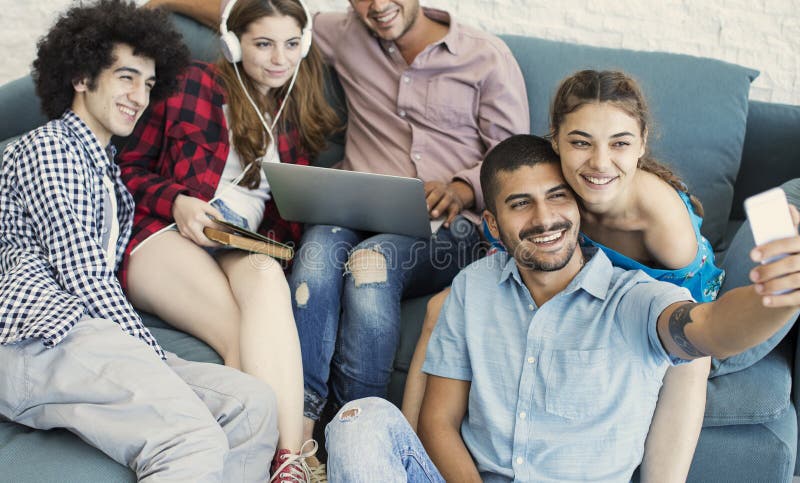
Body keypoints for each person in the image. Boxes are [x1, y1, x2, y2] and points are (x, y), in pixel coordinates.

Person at [324, 134, 800, 482]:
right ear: (492, 222)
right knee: (358, 419)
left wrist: (777, 299)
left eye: (557, 197)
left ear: (580, 206)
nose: (545, 218)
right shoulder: (474, 287)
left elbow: (710, 329)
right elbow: (439, 421)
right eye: (520, 204)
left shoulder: (633, 297)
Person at [0, 1, 280, 481]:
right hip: (36, 337)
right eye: (126, 77)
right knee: (191, 438)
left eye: (149, 84)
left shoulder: (107, 173)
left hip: (89, 339)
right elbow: (83, 274)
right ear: (82, 78)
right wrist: (153, 359)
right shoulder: (49, 148)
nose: (140, 96)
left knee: (251, 405)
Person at [117, 0, 338, 481]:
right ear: (235, 44)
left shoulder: (296, 110)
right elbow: (123, 169)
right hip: (166, 233)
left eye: (290, 44)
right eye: (263, 44)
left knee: (266, 276)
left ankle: (284, 462)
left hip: (239, 242)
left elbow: (289, 210)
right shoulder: (191, 83)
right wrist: (177, 199)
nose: (279, 58)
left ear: (305, 48)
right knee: (242, 336)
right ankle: (292, 460)